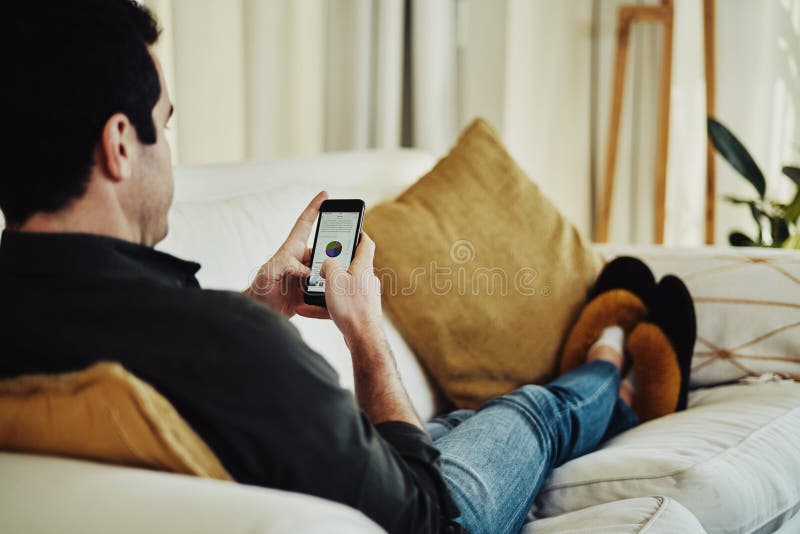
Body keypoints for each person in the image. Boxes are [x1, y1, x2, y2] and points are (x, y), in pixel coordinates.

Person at [1, 2, 694, 533]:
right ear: (120, 145)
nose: (169, 155)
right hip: (425, 505)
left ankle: (609, 376)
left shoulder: (34, 317)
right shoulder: (230, 345)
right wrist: (366, 334)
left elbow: (170, 375)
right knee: (530, 409)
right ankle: (613, 372)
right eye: (167, 123)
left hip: (325, 464)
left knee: (463, 424)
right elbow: (428, 514)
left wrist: (255, 304)